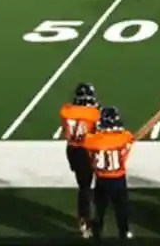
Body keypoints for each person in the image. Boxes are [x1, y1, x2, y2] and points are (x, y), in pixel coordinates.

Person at [82, 90, 160, 242]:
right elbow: (145, 130)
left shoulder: (90, 140)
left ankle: (95, 237)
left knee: (99, 211)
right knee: (121, 210)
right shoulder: (123, 138)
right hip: (117, 180)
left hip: (101, 179)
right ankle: (123, 235)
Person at [58, 82, 100, 238]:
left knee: (84, 185)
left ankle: (85, 218)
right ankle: (87, 219)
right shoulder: (93, 113)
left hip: (72, 150)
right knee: (89, 186)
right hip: (85, 151)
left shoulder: (65, 111)